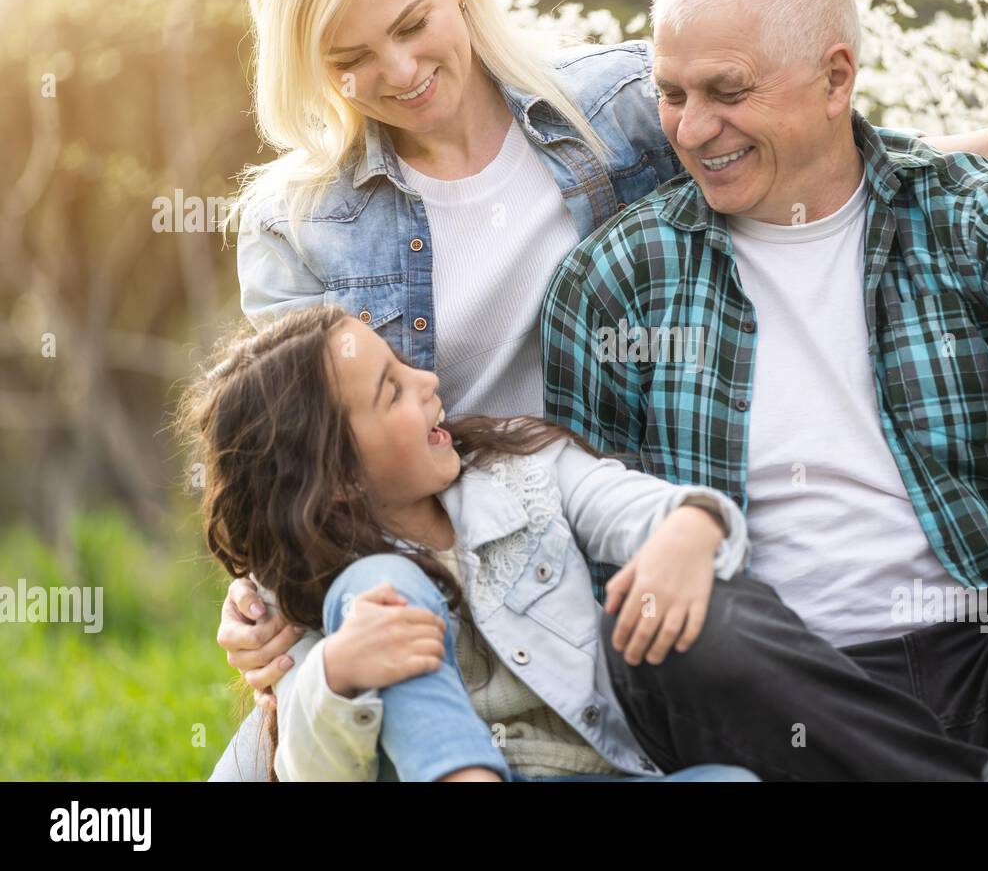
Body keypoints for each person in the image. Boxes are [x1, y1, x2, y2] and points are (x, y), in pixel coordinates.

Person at [213, 0, 988, 780]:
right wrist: (256, 590)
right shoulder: (299, 223)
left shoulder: (620, 106)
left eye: (410, 27)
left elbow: (819, 158)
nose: (397, 73)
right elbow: (291, 445)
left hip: (598, 542)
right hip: (423, 577)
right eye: (348, 59)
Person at [536, 0, 988, 781]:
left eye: (728, 90)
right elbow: (592, 517)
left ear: (835, 79)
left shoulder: (976, 213)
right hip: (782, 688)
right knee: (658, 619)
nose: (693, 127)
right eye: (670, 94)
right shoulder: (616, 279)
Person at [180, 304, 758, 782]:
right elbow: (313, 772)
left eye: (404, 366)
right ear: (340, 476)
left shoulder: (523, 473)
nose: (427, 382)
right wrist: (337, 671)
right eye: (392, 392)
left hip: (595, 770)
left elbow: (637, 506)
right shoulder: (313, 588)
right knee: (380, 589)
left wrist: (692, 527)